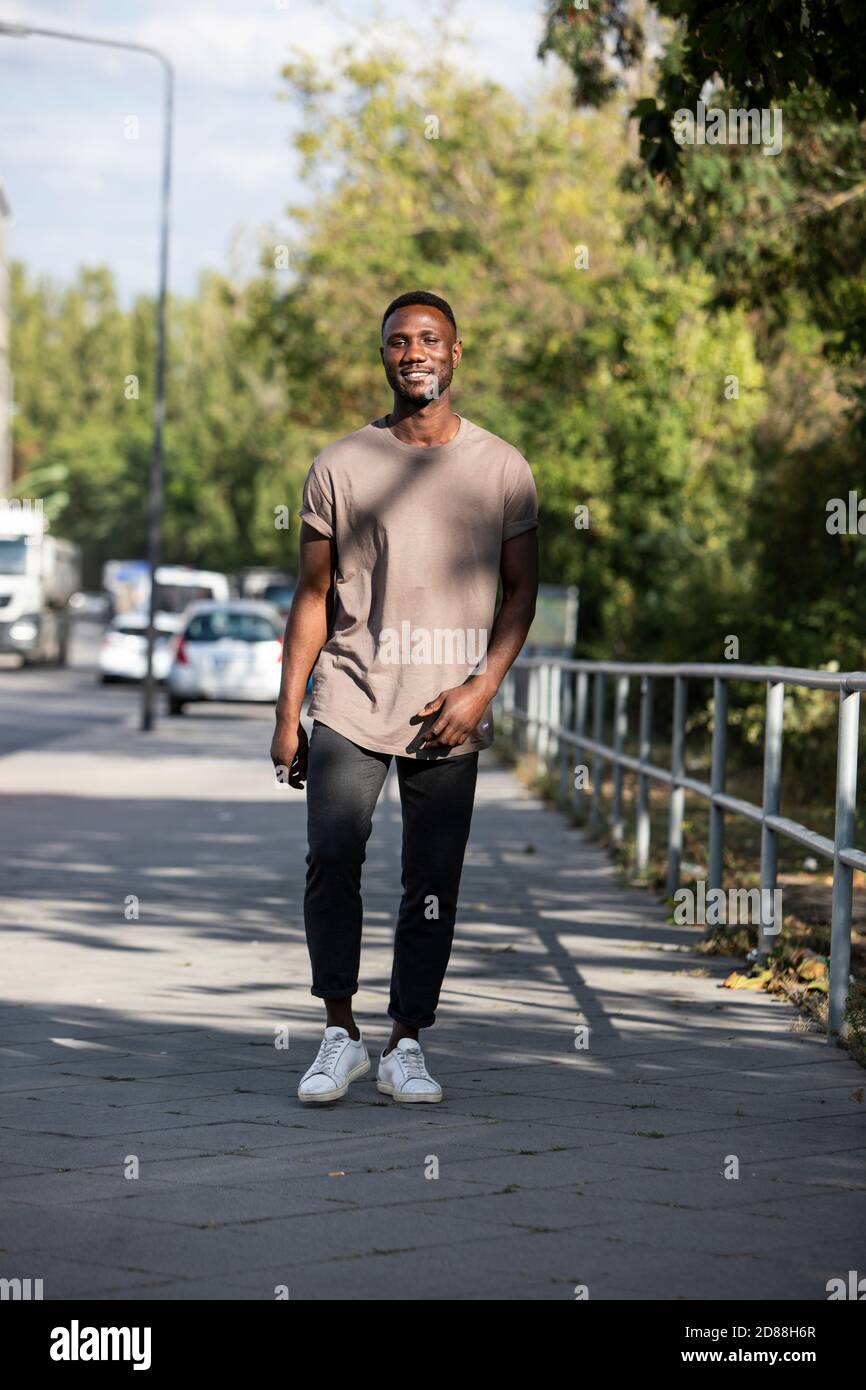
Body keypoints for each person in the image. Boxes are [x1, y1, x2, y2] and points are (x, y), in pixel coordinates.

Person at [270, 290, 539, 1105]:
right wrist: (288, 715)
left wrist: (481, 688)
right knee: (332, 861)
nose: (413, 352)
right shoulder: (340, 466)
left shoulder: (502, 468)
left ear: (457, 354)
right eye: (398, 342)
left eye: (430, 340)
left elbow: (521, 593)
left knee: (431, 877)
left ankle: (407, 1042)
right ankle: (338, 1033)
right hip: (351, 696)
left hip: (448, 712)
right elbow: (312, 596)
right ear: (383, 356)